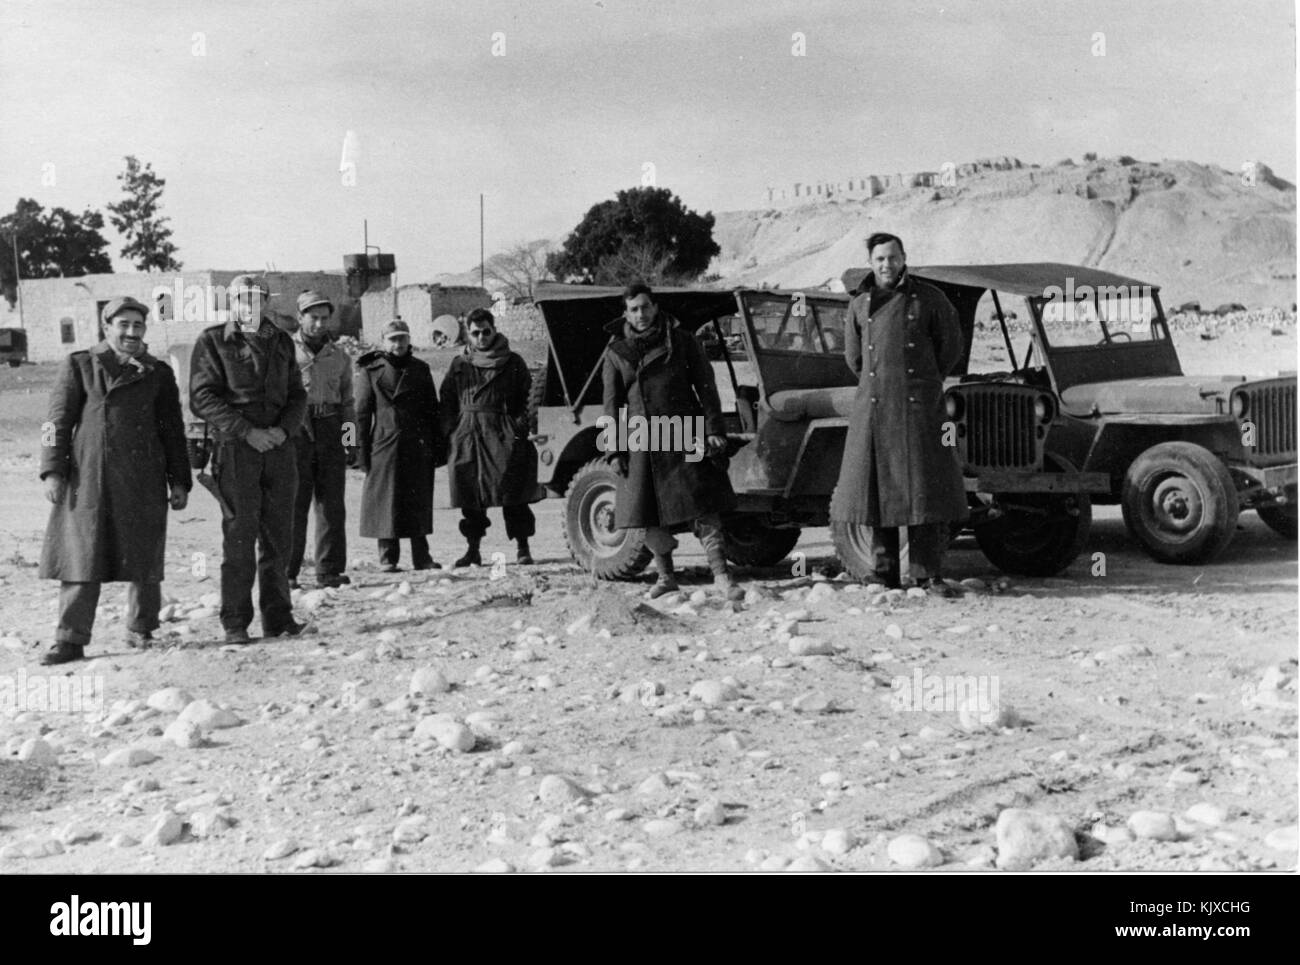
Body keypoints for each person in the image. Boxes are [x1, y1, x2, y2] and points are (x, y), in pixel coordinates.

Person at [37, 296, 192, 664]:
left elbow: (172, 428)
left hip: (143, 479)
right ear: (107, 327)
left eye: (137, 326)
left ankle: (142, 628)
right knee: (82, 554)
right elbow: (53, 423)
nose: (130, 332)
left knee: (144, 554)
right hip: (88, 478)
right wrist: (53, 470)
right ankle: (70, 639)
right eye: (123, 325)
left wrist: (179, 480)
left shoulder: (157, 372)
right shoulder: (81, 365)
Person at [830, 232, 967, 597]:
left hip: (919, 408)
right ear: (870, 262)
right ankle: (884, 572)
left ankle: (926, 574)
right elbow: (855, 360)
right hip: (875, 407)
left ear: (904, 257)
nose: (886, 265)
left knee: (924, 492)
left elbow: (949, 349)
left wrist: (920, 383)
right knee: (877, 492)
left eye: (892, 258)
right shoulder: (859, 305)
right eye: (879, 259)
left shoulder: (930, 299)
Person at [602, 282, 741, 600]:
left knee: (703, 503)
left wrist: (713, 430)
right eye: (634, 309)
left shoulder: (682, 341)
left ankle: (722, 575)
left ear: (656, 307)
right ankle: (666, 577)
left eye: (646, 307)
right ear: (626, 312)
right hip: (642, 439)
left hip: (686, 430)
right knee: (647, 511)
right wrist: (613, 449)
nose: (641, 314)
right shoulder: (616, 353)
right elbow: (611, 405)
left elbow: (706, 387)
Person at [189, 274, 308, 642]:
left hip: (278, 449)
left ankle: (278, 618)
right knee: (239, 537)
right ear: (232, 303)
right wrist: (247, 432)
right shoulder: (212, 341)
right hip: (236, 449)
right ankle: (235, 622)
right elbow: (203, 397)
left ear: (267, 302)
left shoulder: (282, 341)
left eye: (258, 299)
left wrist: (284, 431)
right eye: (243, 299)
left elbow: (297, 395)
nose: (251, 306)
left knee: (279, 539)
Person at [440, 308, 542, 567]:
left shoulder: (513, 361)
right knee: (471, 495)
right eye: (475, 333)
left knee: (514, 493)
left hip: (502, 431)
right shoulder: (460, 364)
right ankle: (472, 549)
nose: (482, 337)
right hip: (468, 434)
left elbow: (528, 399)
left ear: (494, 330)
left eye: (486, 331)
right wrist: (453, 430)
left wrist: (518, 427)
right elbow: (447, 399)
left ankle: (523, 547)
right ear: (468, 335)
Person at [356, 319, 442, 571]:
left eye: (402, 338)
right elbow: (357, 415)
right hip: (383, 444)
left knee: (418, 499)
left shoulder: (421, 368)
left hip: (417, 444)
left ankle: (422, 557)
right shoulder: (370, 371)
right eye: (392, 339)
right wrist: (354, 450)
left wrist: (437, 447)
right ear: (383, 342)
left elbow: (432, 410)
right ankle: (387, 557)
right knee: (386, 500)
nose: (398, 344)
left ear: (409, 340)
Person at [285, 290, 355, 589]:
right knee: (293, 504)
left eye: (324, 318)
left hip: (329, 427)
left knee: (331, 504)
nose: (319, 324)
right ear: (300, 317)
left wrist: (349, 441)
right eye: (313, 317)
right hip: (296, 428)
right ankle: (287, 572)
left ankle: (328, 570)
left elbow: (348, 401)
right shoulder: (286, 351)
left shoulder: (339, 356)